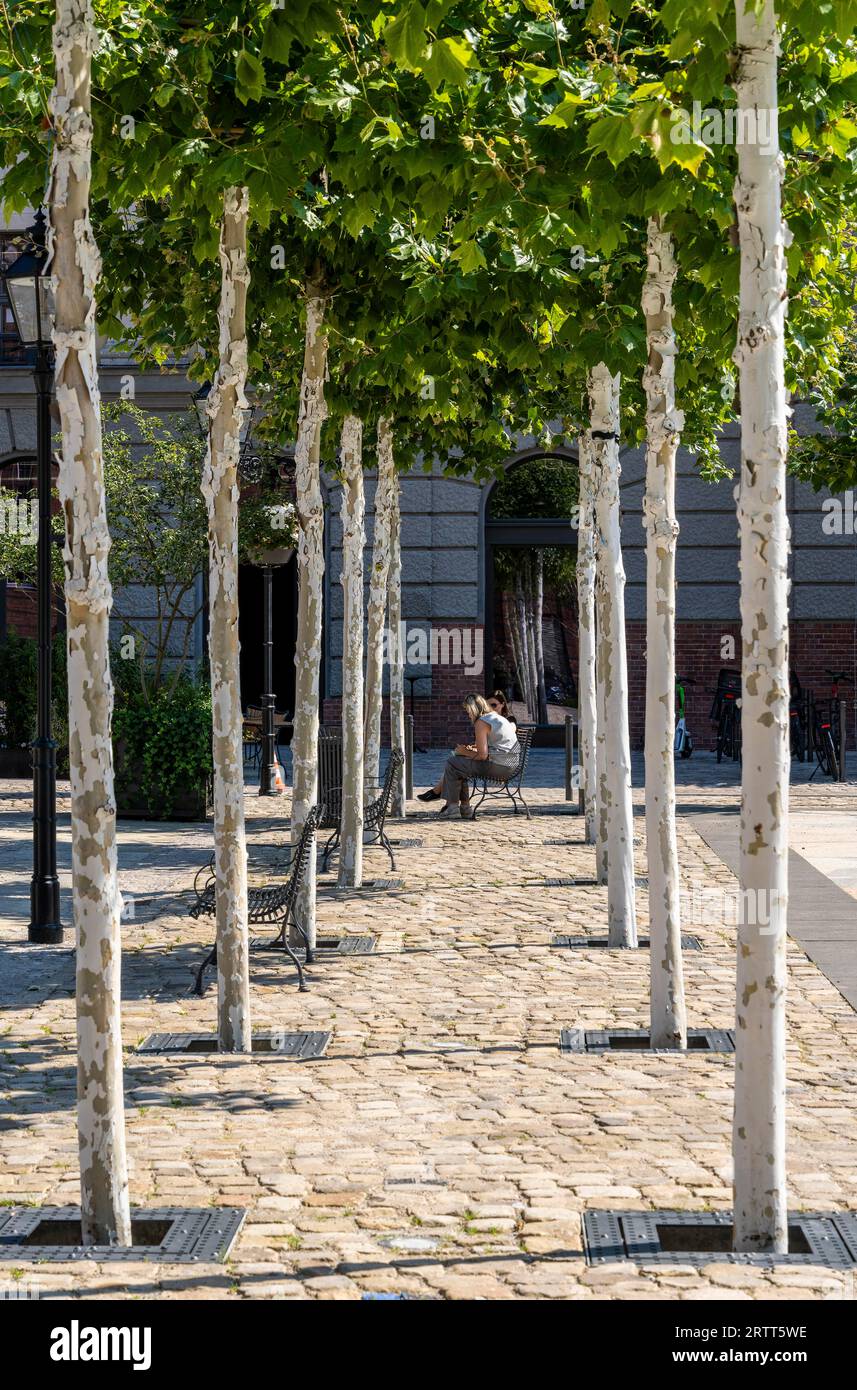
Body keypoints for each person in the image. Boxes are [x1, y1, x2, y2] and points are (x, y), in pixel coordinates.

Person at [421, 693, 520, 819]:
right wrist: (469, 751)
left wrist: (463, 751)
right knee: (459, 763)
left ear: (473, 709)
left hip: (499, 767)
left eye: (468, 711)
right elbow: (494, 747)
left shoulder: (481, 722)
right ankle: (464, 808)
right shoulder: (497, 718)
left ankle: (453, 808)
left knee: (453, 763)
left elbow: (482, 756)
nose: (468, 715)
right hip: (510, 765)